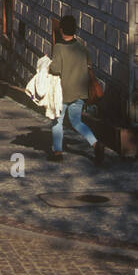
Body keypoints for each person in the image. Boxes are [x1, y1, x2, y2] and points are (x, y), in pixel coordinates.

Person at [48, 15, 104, 164]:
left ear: (61, 30)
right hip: (80, 92)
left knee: (57, 122)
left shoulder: (59, 47)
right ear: (74, 30)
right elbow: (88, 66)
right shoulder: (82, 47)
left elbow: (55, 68)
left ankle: (58, 152)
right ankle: (96, 144)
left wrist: (48, 63)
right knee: (77, 122)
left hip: (63, 93)